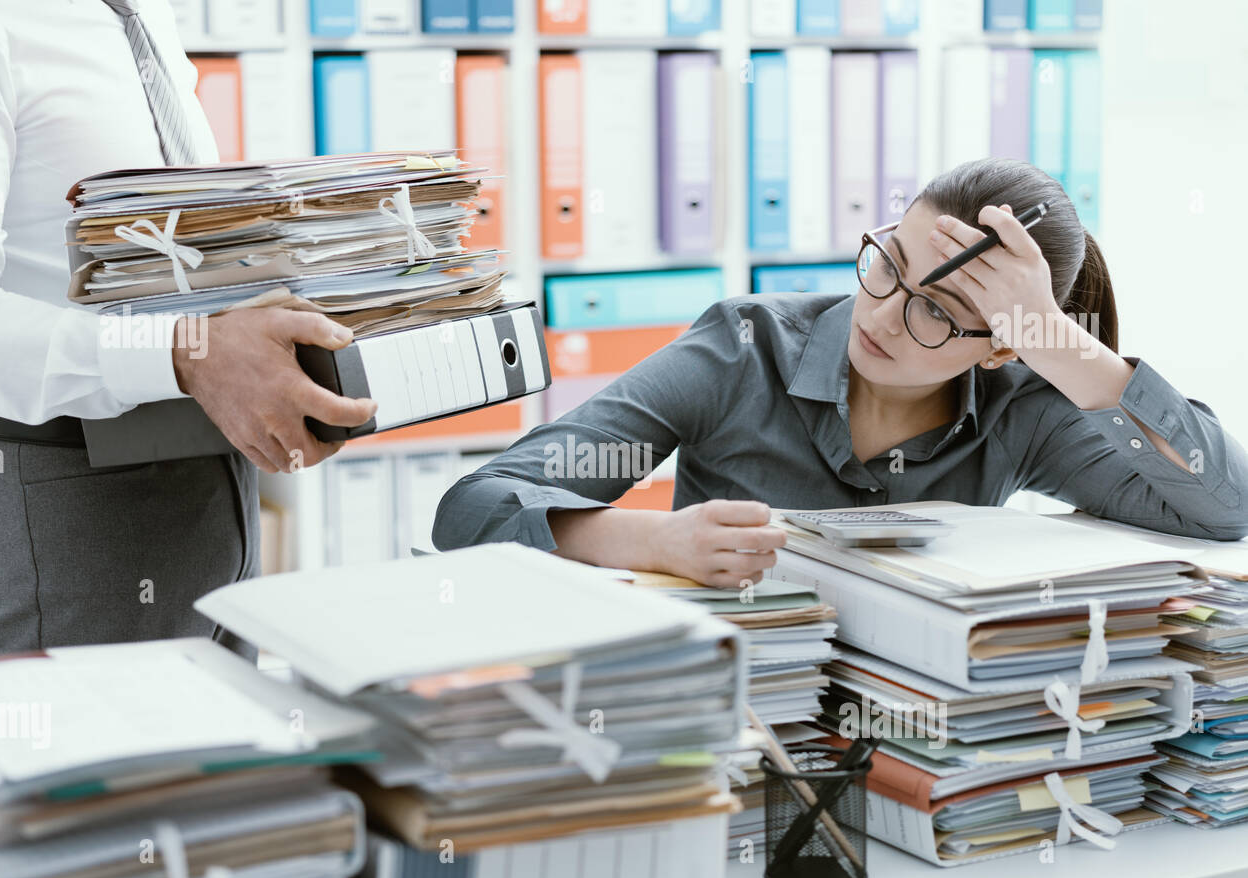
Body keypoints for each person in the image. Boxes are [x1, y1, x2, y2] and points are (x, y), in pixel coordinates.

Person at [433, 158, 1248, 585]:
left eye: (937, 310)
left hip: (934, 729)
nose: (884, 313)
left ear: (1002, 345)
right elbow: (471, 509)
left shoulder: (1022, 401)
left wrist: (1059, 344)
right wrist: (655, 540)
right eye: (888, 261)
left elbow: (1224, 511)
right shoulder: (740, 351)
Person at [0, 0, 376, 660]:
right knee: (93, 758)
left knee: (223, 757)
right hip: (67, 488)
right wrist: (184, 354)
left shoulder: (142, 13)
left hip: (209, 480)